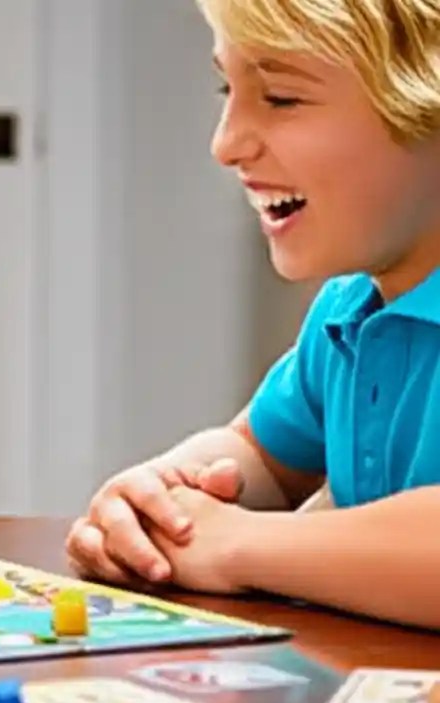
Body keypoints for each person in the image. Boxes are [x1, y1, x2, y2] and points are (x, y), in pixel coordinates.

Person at [66, 0, 440, 630]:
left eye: (281, 98)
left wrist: (234, 545)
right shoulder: (348, 310)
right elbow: (260, 457)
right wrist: (160, 502)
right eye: (226, 88)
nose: (225, 143)